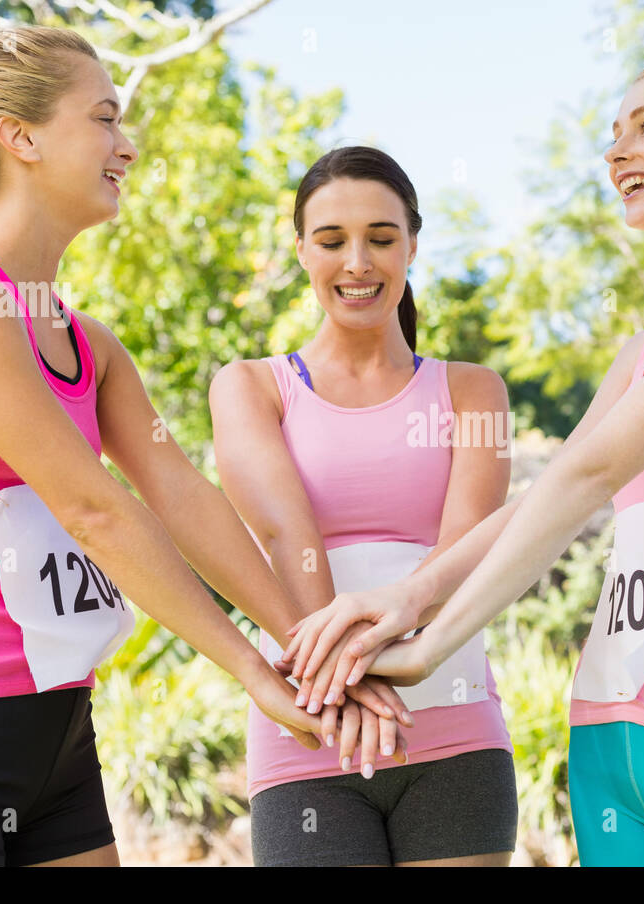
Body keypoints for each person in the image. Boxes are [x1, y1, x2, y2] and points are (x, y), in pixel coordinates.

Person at [0, 25, 405, 868]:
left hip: (59, 738)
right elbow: (96, 509)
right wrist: (252, 671)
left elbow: (181, 495)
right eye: (104, 119)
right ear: (20, 137)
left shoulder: (88, 344)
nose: (126, 147)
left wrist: (315, 655)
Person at [283, 55, 644, 866]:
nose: (617, 151)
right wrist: (408, 599)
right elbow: (549, 493)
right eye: (614, 133)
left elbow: (591, 475)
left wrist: (427, 647)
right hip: (609, 726)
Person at [211, 146, 518, 867]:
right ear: (300, 251)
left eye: (382, 239)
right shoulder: (251, 387)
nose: (358, 261)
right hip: (308, 733)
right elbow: (288, 535)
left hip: (453, 730)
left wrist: (353, 671)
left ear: (412, 243)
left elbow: (465, 551)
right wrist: (342, 690)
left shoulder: (475, 391)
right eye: (332, 241)